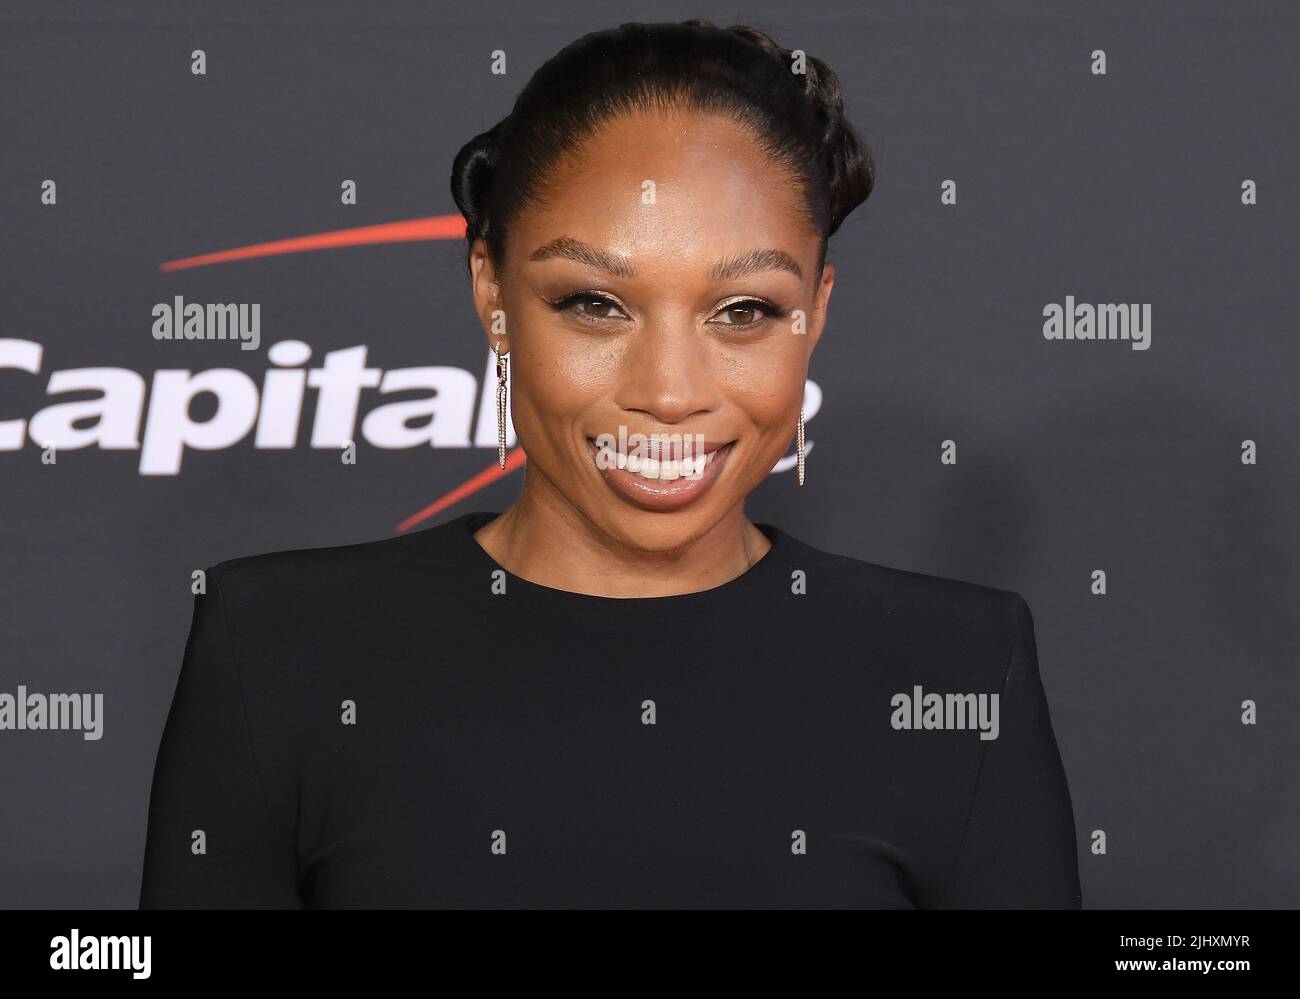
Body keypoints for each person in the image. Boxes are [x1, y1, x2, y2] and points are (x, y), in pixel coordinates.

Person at [139, 18, 1081, 908]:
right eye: (594, 303)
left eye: (744, 310)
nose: (669, 391)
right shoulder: (273, 650)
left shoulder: (958, 667)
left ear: (816, 312)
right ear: (492, 292)